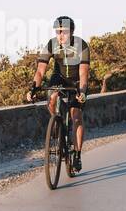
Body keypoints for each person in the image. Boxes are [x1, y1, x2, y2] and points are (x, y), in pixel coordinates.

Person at [26, 16, 90, 173]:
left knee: (76, 116)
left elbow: (83, 73)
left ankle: (77, 155)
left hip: (76, 82)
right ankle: (56, 122)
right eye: (58, 32)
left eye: (64, 32)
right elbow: (41, 70)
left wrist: (81, 91)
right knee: (53, 96)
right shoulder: (52, 44)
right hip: (59, 78)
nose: (61, 36)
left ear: (72, 32)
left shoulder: (81, 45)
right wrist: (34, 88)